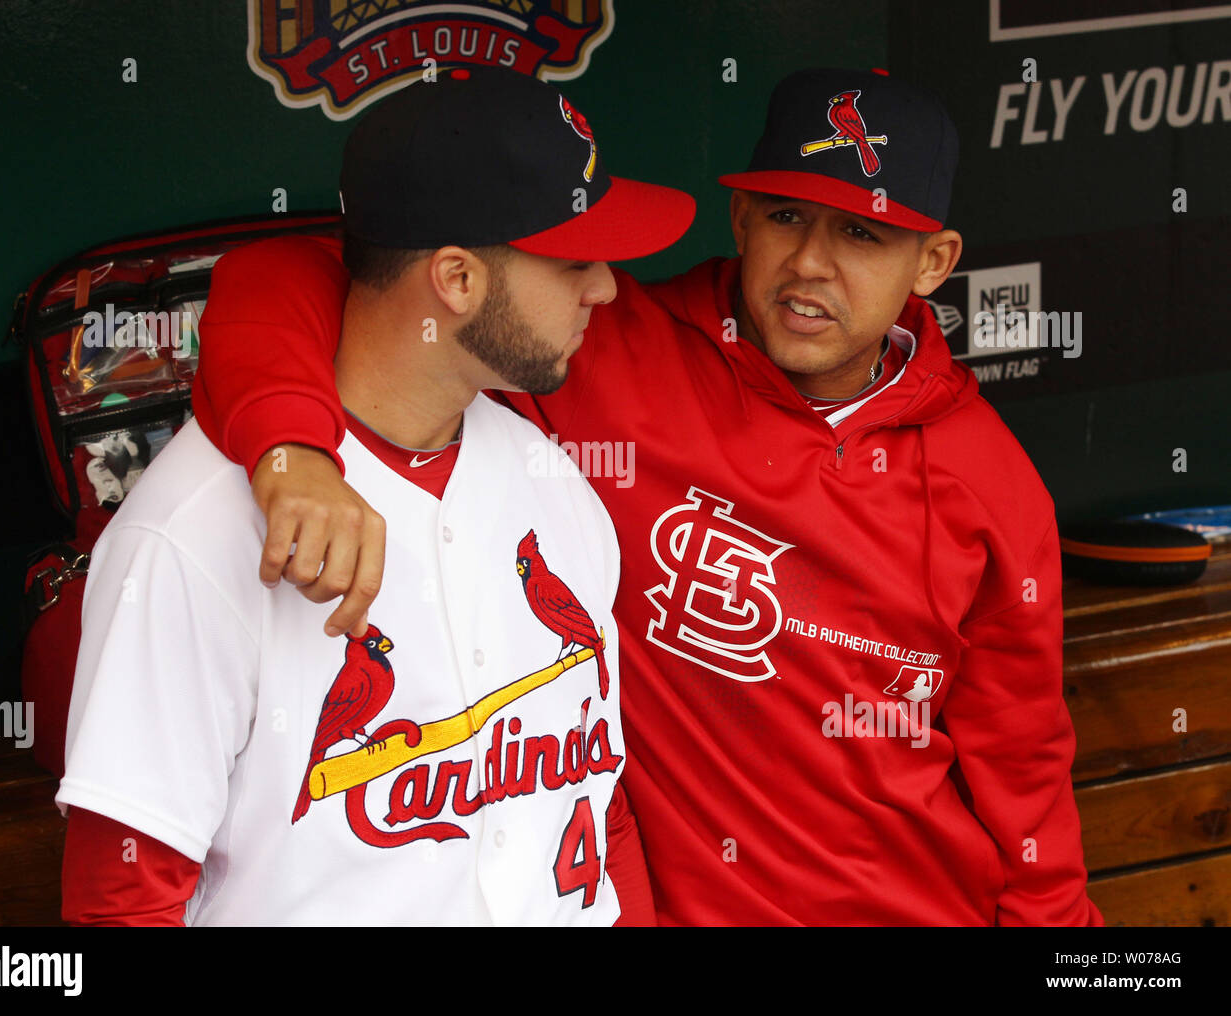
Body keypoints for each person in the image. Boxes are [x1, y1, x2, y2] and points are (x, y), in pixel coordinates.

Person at [190, 67, 1103, 926]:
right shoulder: (606, 341)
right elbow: (300, 279)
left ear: (934, 262)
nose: (812, 265)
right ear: (741, 218)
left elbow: (1024, 777)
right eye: (788, 216)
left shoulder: (987, 479)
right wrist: (291, 451)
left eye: (862, 233)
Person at [56, 66, 696, 925]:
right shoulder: (192, 536)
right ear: (458, 281)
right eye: (574, 259)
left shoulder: (556, 487)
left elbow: (598, 806)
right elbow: (121, 900)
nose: (607, 287)